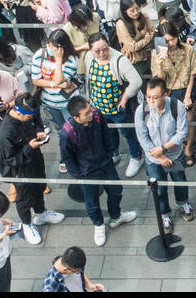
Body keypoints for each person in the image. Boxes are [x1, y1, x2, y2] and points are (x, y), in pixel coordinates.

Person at [59, 97, 137, 247]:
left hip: (105, 163)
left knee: (116, 190)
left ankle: (116, 216)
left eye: (90, 109)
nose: (91, 113)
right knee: (91, 201)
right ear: (76, 117)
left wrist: (109, 153)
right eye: (86, 113)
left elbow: (106, 134)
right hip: (87, 171)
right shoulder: (67, 133)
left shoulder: (97, 116)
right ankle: (99, 224)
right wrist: (79, 176)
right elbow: (67, 158)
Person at [0, 91, 65, 245]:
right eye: (29, 116)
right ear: (19, 113)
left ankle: (40, 213)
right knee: (24, 198)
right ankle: (26, 224)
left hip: (35, 160)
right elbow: (9, 160)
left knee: (39, 186)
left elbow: (36, 118)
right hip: (21, 170)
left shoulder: (28, 115)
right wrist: (29, 147)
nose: (31, 118)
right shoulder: (5, 133)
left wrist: (39, 130)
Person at [135, 77, 194, 234]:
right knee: (159, 189)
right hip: (153, 159)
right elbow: (143, 138)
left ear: (166, 94)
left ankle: (183, 203)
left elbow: (181, 133)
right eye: (148, 97)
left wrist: (163, 149)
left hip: (175, 155)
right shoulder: (142, 110)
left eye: (156, 97)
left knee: (180, 181)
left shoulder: (176, 106)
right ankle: (165, 214)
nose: (151, 101)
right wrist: (159, 156)